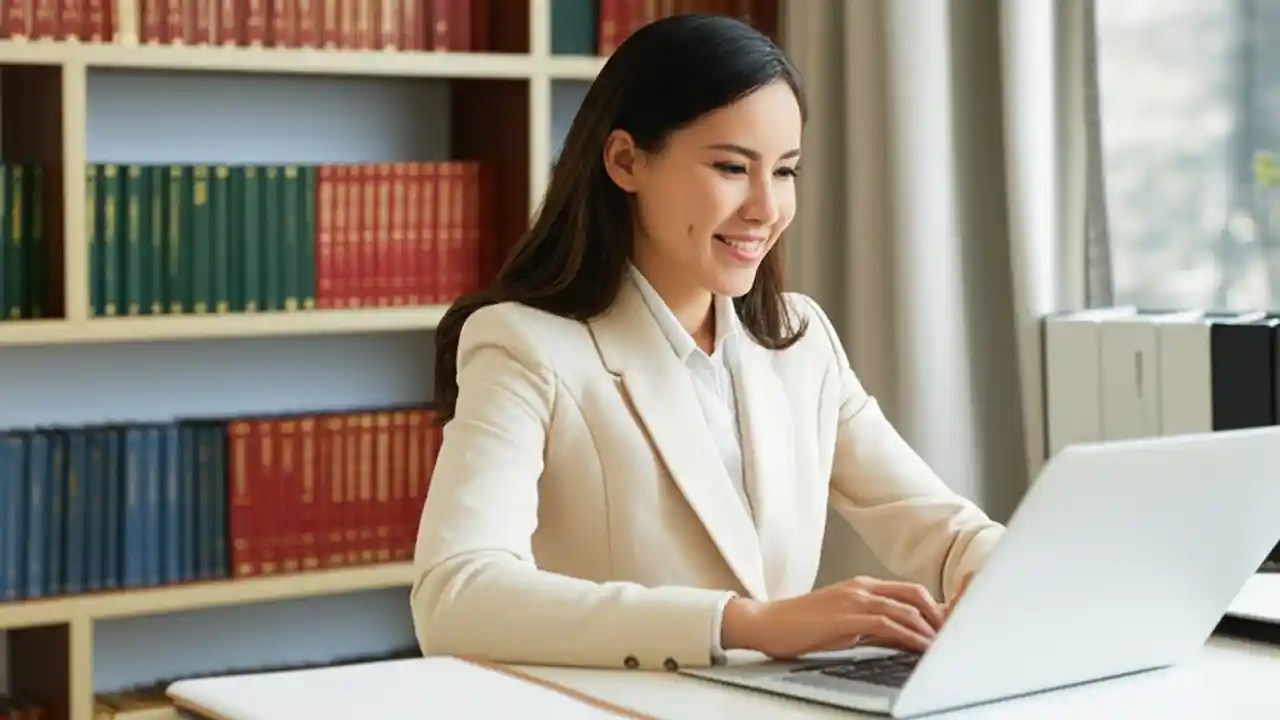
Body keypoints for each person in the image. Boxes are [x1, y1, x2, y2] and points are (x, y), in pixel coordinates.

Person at [411, 13, 1005, 672]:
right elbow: (455, 597)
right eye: (731, 166)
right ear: (625, 161)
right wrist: (747, 624)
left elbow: (942, 529)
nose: (765, 207)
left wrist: (1019, 572)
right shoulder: (524, 346)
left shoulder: (801, 345)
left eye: (785, 172)